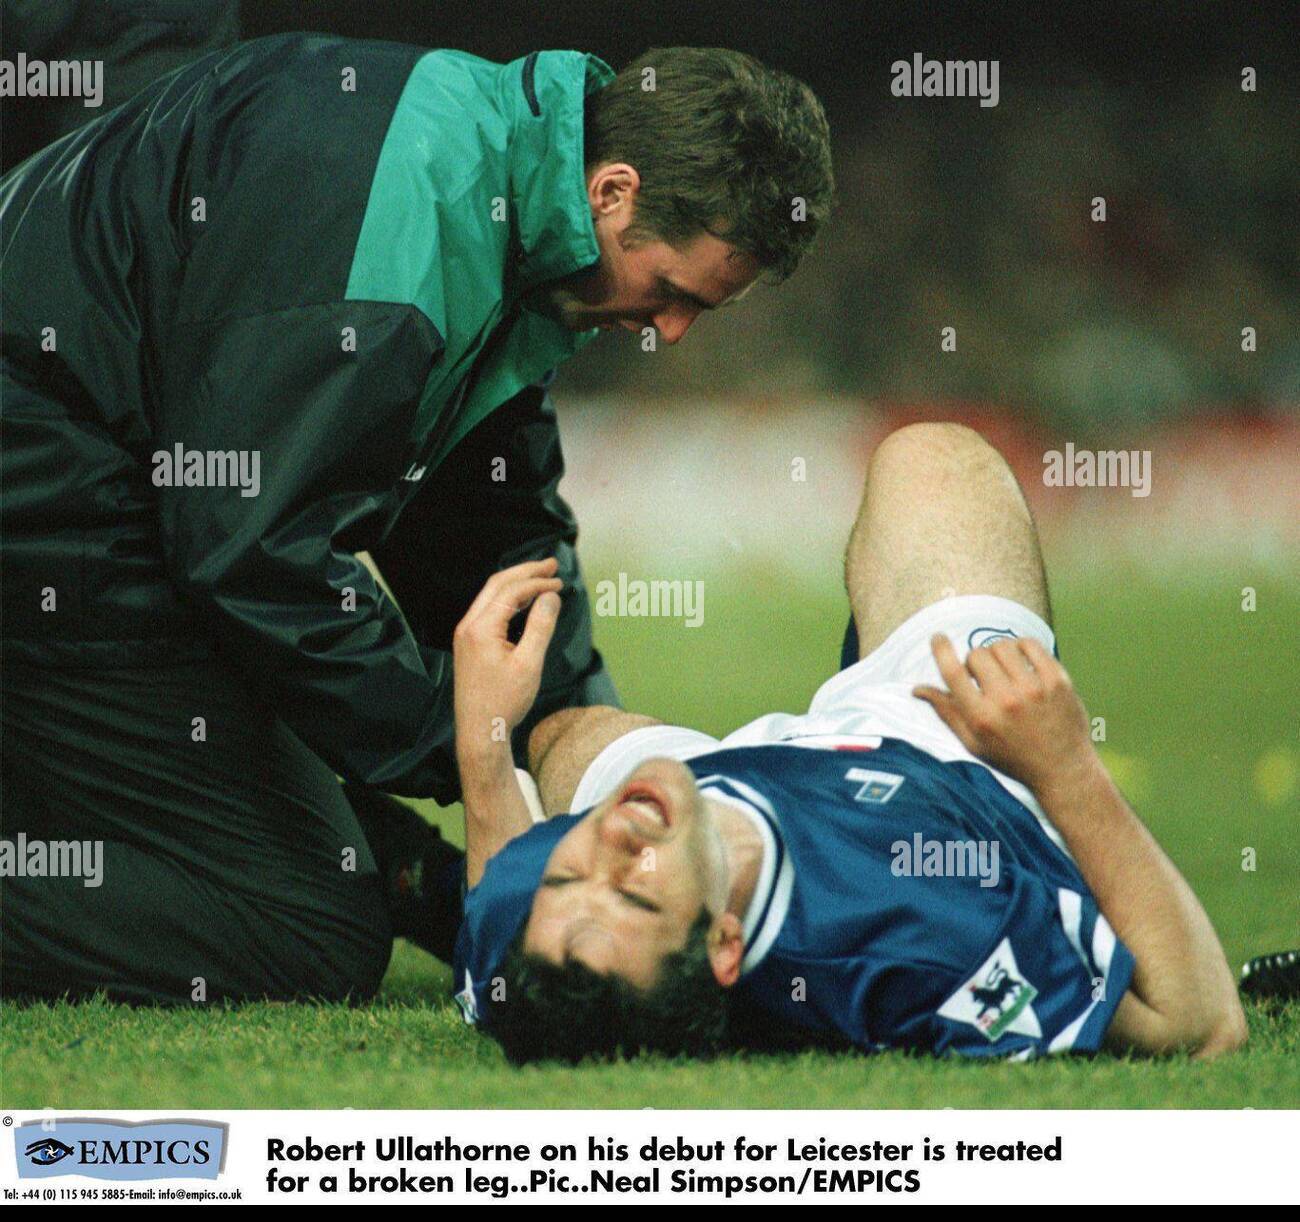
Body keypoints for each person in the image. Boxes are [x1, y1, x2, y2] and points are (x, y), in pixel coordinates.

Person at [0, 37, 833, 1003]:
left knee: (287, 794)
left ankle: (388, 865)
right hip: (49, 502)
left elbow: (478, 515)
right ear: (612, 191)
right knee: (302, 926)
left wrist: (582, 744)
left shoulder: (490, 190)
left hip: (86, 478)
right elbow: (248, 555)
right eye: (674, 293)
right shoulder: (393, 244)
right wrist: (469, 744)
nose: (673, 331)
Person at [451, 422, 1248, 1062]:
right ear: (726, 946)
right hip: (948, 759)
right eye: (636, 889)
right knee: (932, 457)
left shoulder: (548, 951)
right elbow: (1201, 1024)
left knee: (560, 737)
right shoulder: (931, 940)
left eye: (570, 876)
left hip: (728, 784)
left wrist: (485, 738)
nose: (610, 845)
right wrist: (1065, 767)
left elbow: (496, 899)